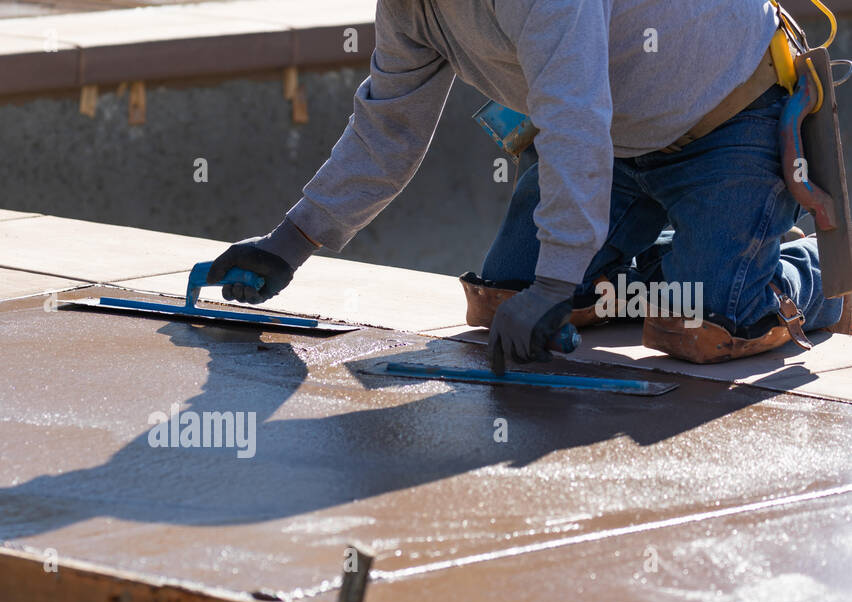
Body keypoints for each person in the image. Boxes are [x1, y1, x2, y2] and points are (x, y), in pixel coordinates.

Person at [208, 0, 845, 366]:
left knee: (701, 331)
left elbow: (573, 120)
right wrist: (290, 241)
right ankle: (683, 259)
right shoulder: (410, 7)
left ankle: (797, 265)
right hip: (612, 145)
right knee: (498, 304)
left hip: (728, 122)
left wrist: (554, 282)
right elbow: (389, 127)